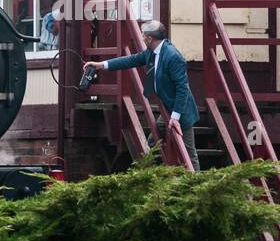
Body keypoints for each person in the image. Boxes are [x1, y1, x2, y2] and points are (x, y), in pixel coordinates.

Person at [84, 21, 200, 170]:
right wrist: (101, 65)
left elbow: (182, 88)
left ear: (150, 38)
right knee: (153, 143)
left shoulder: (172, 56)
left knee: (189, 153)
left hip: (181, 110)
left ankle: (198, 185)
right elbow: (130, 60)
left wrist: (176, 117)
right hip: (168, 108)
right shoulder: (152, 52)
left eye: (143, 34)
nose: (142, 37)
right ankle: (157, 177)